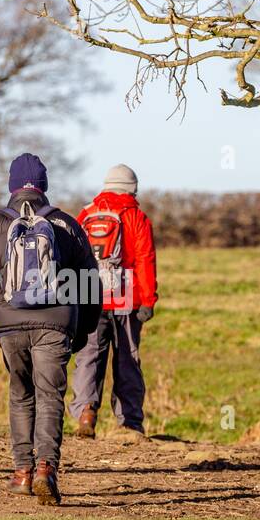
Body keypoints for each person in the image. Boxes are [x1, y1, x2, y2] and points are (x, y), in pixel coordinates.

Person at [0, 153, 101, 505]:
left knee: (21, 395)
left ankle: (21, 473)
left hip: (10, 326)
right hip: (56, 323)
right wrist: (82, 330)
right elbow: (90, 283)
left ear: (11, 186)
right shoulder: (67, 225)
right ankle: (45, 469)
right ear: (44, 186)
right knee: (51, 396)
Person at [70, 163, 158, 439]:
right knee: (127, 359)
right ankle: (129, 422)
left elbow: (72, 256)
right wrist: (148, 300)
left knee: (88, 356)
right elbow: (145, 259)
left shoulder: (86, 213)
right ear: (132, 188)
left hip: (90, 297)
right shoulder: (136, 217)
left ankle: (85, 411)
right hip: (127, 299)